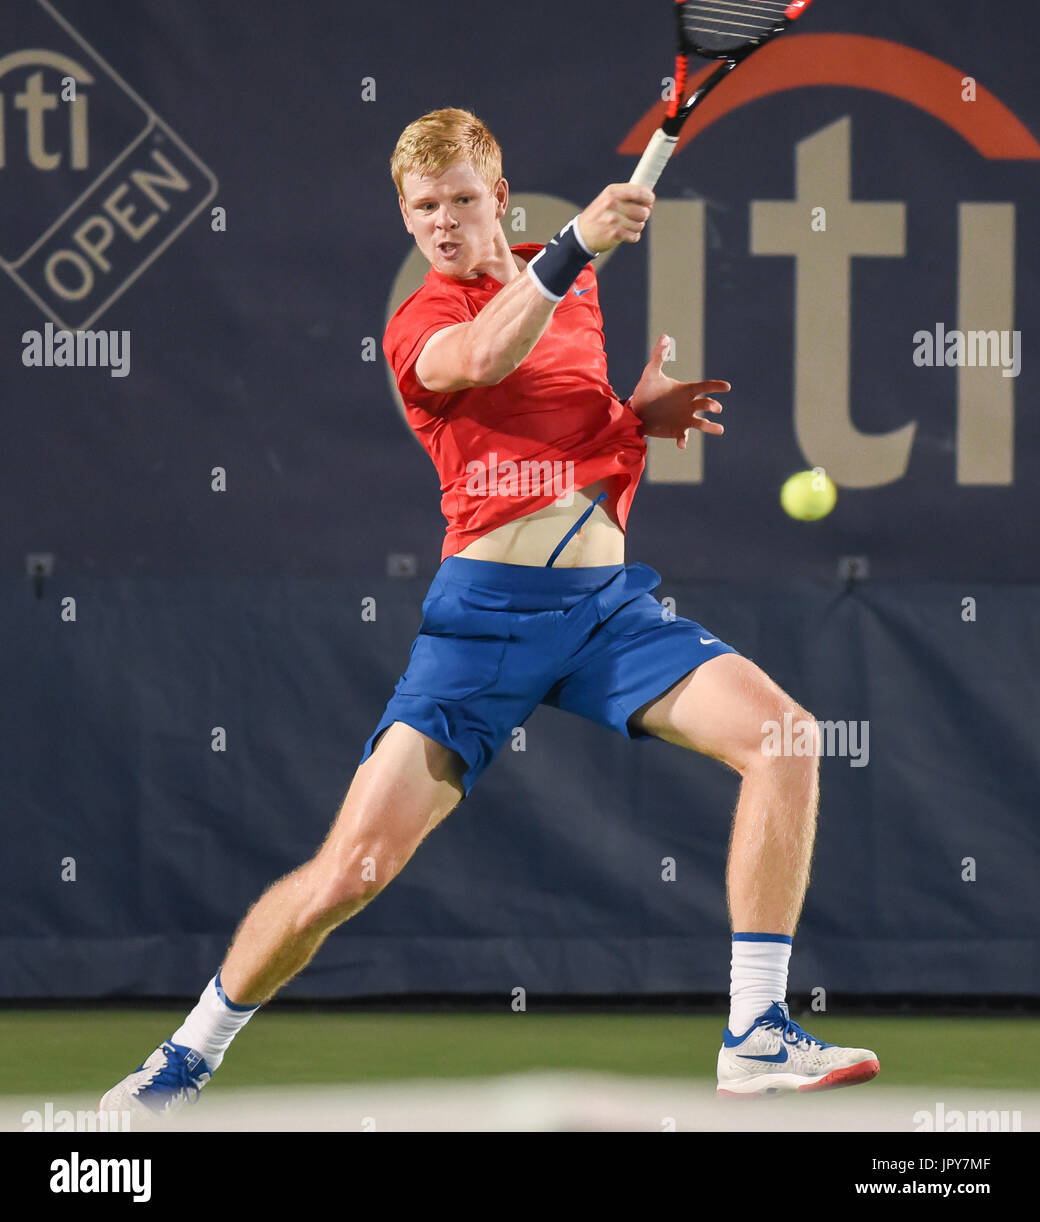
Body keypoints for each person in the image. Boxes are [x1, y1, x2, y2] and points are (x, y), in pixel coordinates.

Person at [101, 108, 877, 1122]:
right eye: (423, 208)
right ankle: (181, 1060)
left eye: (462, 200)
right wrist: (572, 244)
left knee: (786, 739)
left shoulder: (574, 285)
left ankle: (753, 1032)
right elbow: (482, 361)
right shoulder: (422, 323)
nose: (443, 221)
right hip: (483, 625)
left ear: (496, 197)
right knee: (351, 871)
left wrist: (632, 419)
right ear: (406, 219)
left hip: (604, 613)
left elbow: (560, 421)